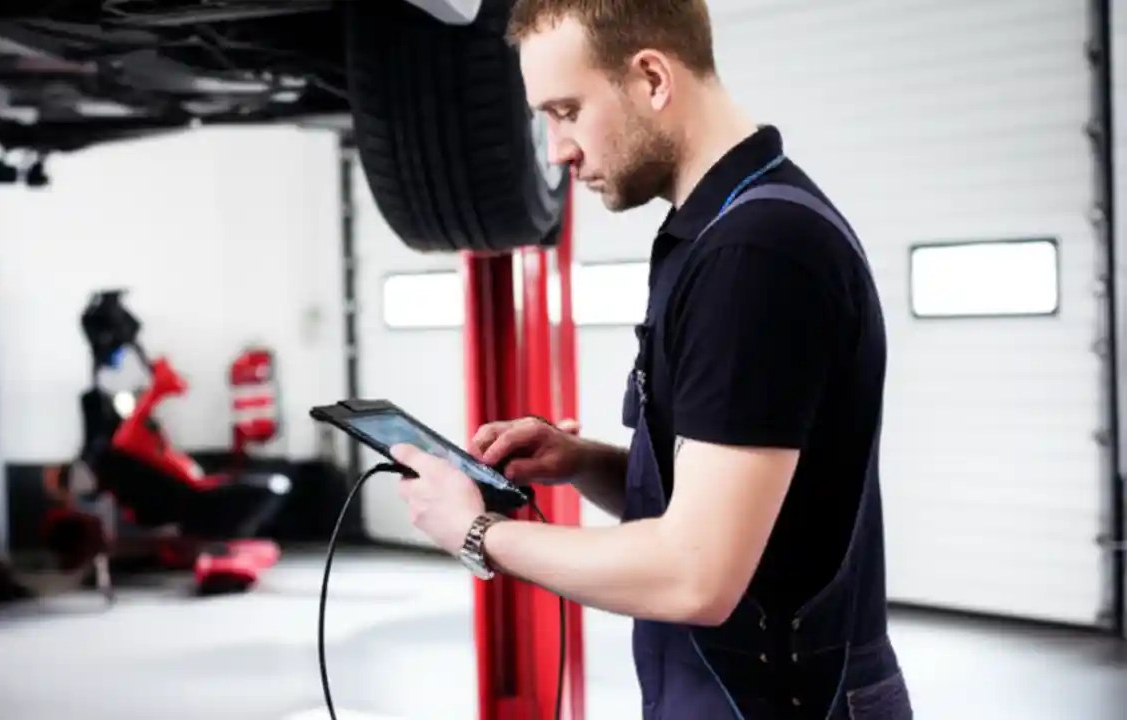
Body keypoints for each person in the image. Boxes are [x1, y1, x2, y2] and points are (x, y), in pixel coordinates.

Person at [391, 1, 913, 717]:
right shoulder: (718, 235)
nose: (555, 150)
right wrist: (580, 460)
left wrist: (478, 533)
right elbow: (720, 502)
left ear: (652, 78)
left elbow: (694, 575)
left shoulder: (756, 255)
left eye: (567, 111)